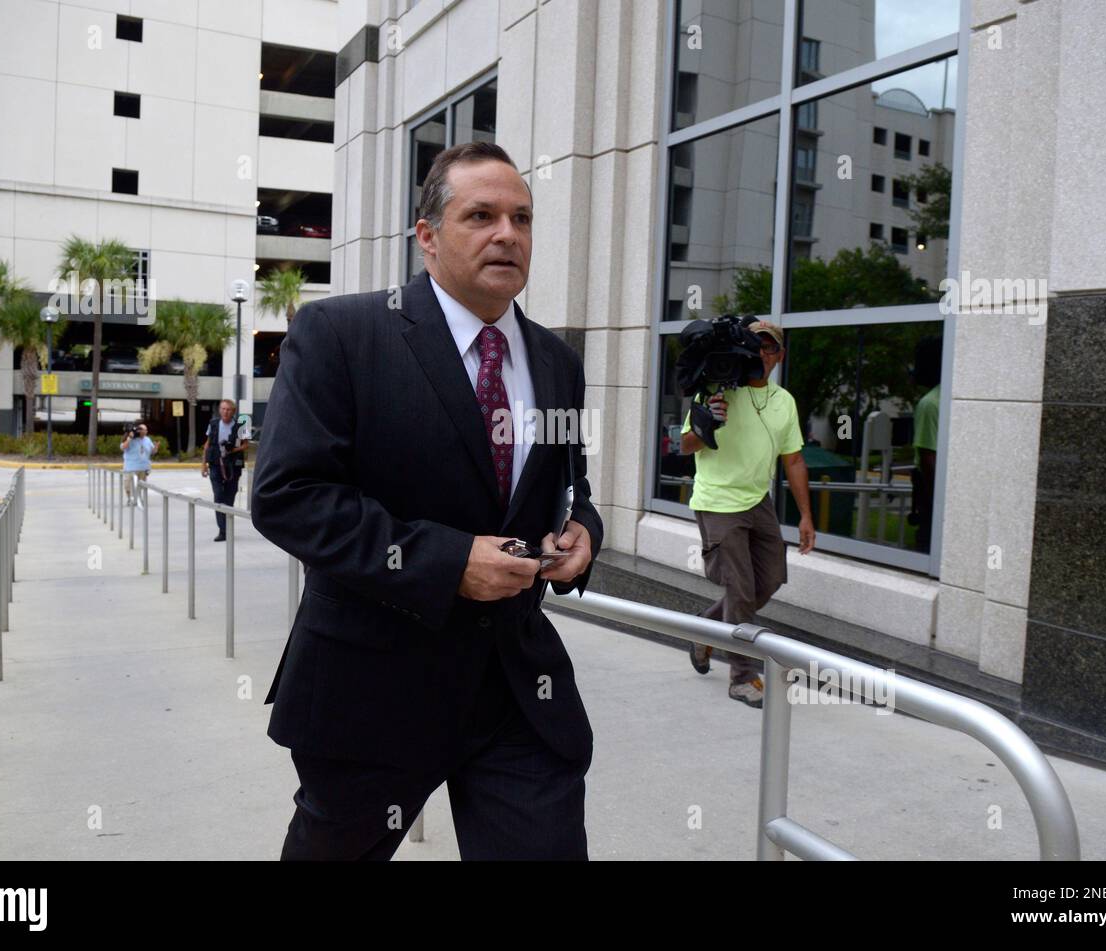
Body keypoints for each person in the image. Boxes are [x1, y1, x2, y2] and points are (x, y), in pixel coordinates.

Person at [251, 141, 604, 861]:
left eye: (522, 217)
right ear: (428, 236)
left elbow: (573, 485)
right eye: (481, 215)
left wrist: (583, 532)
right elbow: (288, 494)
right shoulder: (342, 335)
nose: (508, 233)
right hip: (372, 688)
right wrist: (448, 562)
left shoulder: (559, 364)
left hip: (515, 692)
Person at [680, 322, 815, 707]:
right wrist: (710, 420)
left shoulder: (783, 401)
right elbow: (685, 445)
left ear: (779, 356)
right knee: (740, 589)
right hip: (718, 501)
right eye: (755, 346)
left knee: (769, 579)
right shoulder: (718, 389)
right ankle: (741, 676)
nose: (762, 354)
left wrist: (805, 516)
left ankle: (707, 627)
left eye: (769, 348)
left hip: (758, 501)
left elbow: (794, 459)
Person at [909, 335, 943, 553]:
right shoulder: (946, 398)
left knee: (927, 543)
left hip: (931, 490)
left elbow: (928, 458)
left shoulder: (930, 404)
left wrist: (935, 502)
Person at [200, 399, 250, 542]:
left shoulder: (242, 424)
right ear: (219, 410)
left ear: (233, 411)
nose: (225, 412)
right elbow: (207, 445)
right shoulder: (213, 424)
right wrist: (203, 465)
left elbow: (246, 445)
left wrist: (232, 449)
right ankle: (223, 530)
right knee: (218, 496)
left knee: (229, 499)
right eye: (223, 409)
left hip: (233, 465)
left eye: (228, 409)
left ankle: (227, 528)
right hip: (215, 464)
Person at [120, 422, 155, 508]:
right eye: (143, 429)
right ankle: (130, 498)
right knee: (127, 485)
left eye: (146, 430)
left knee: (140, 485)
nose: (145, 431)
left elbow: (152, 452)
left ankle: (138, 497)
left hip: (143, 467)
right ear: (139, 431)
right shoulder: (131, 437)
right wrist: (129, 438)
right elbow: (123, 447)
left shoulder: (148, 439)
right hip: (130, 467)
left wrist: (155, 448)